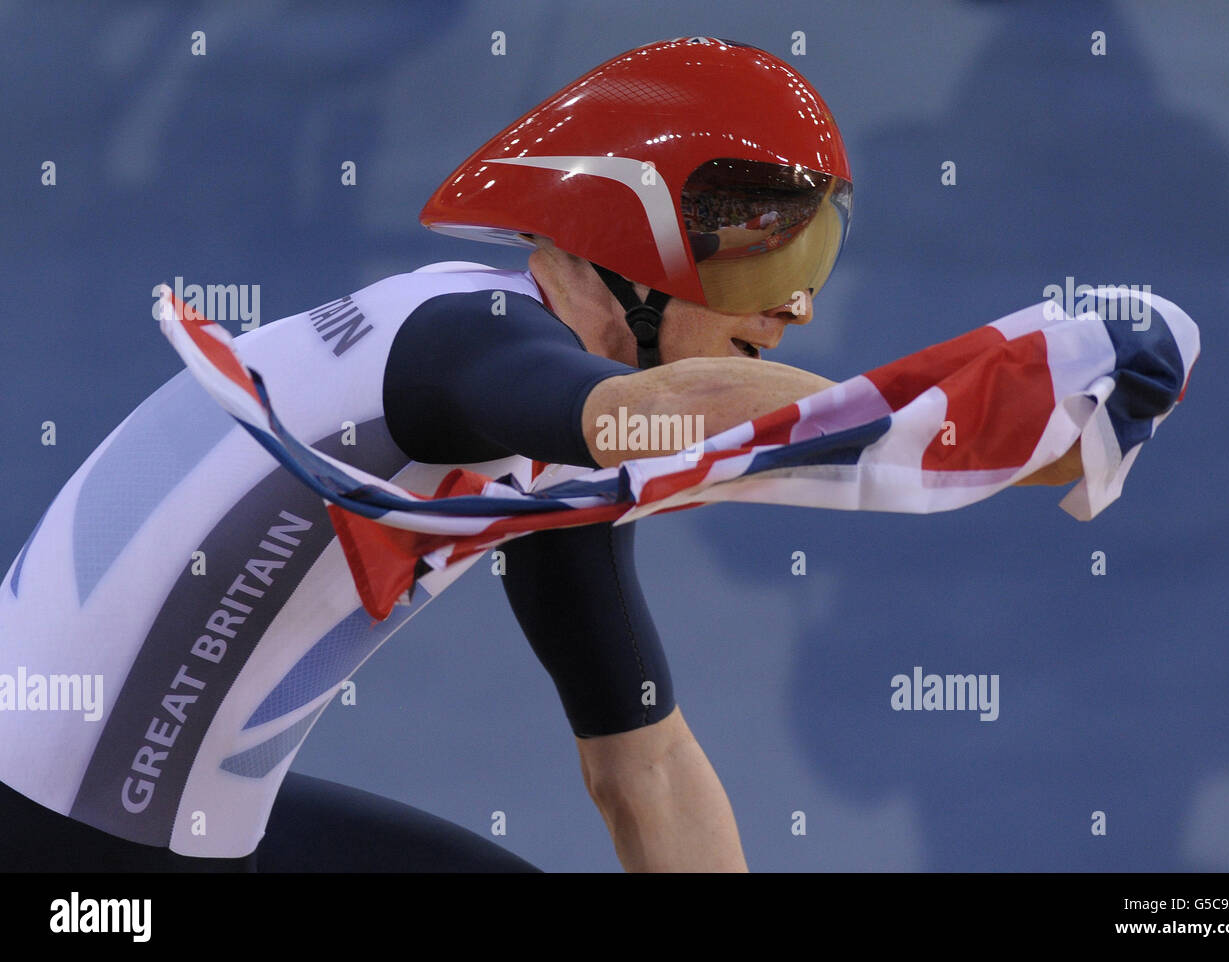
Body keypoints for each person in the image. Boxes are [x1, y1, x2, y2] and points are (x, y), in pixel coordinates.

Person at [0, 36, 1079, 874]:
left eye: (815, 251)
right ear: (633, 243)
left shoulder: (536, 426)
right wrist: (988, 429)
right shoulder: (467, 340)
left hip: (119, 837)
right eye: (764, 252)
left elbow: (642, 764)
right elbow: (652, 419)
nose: (796, 305)